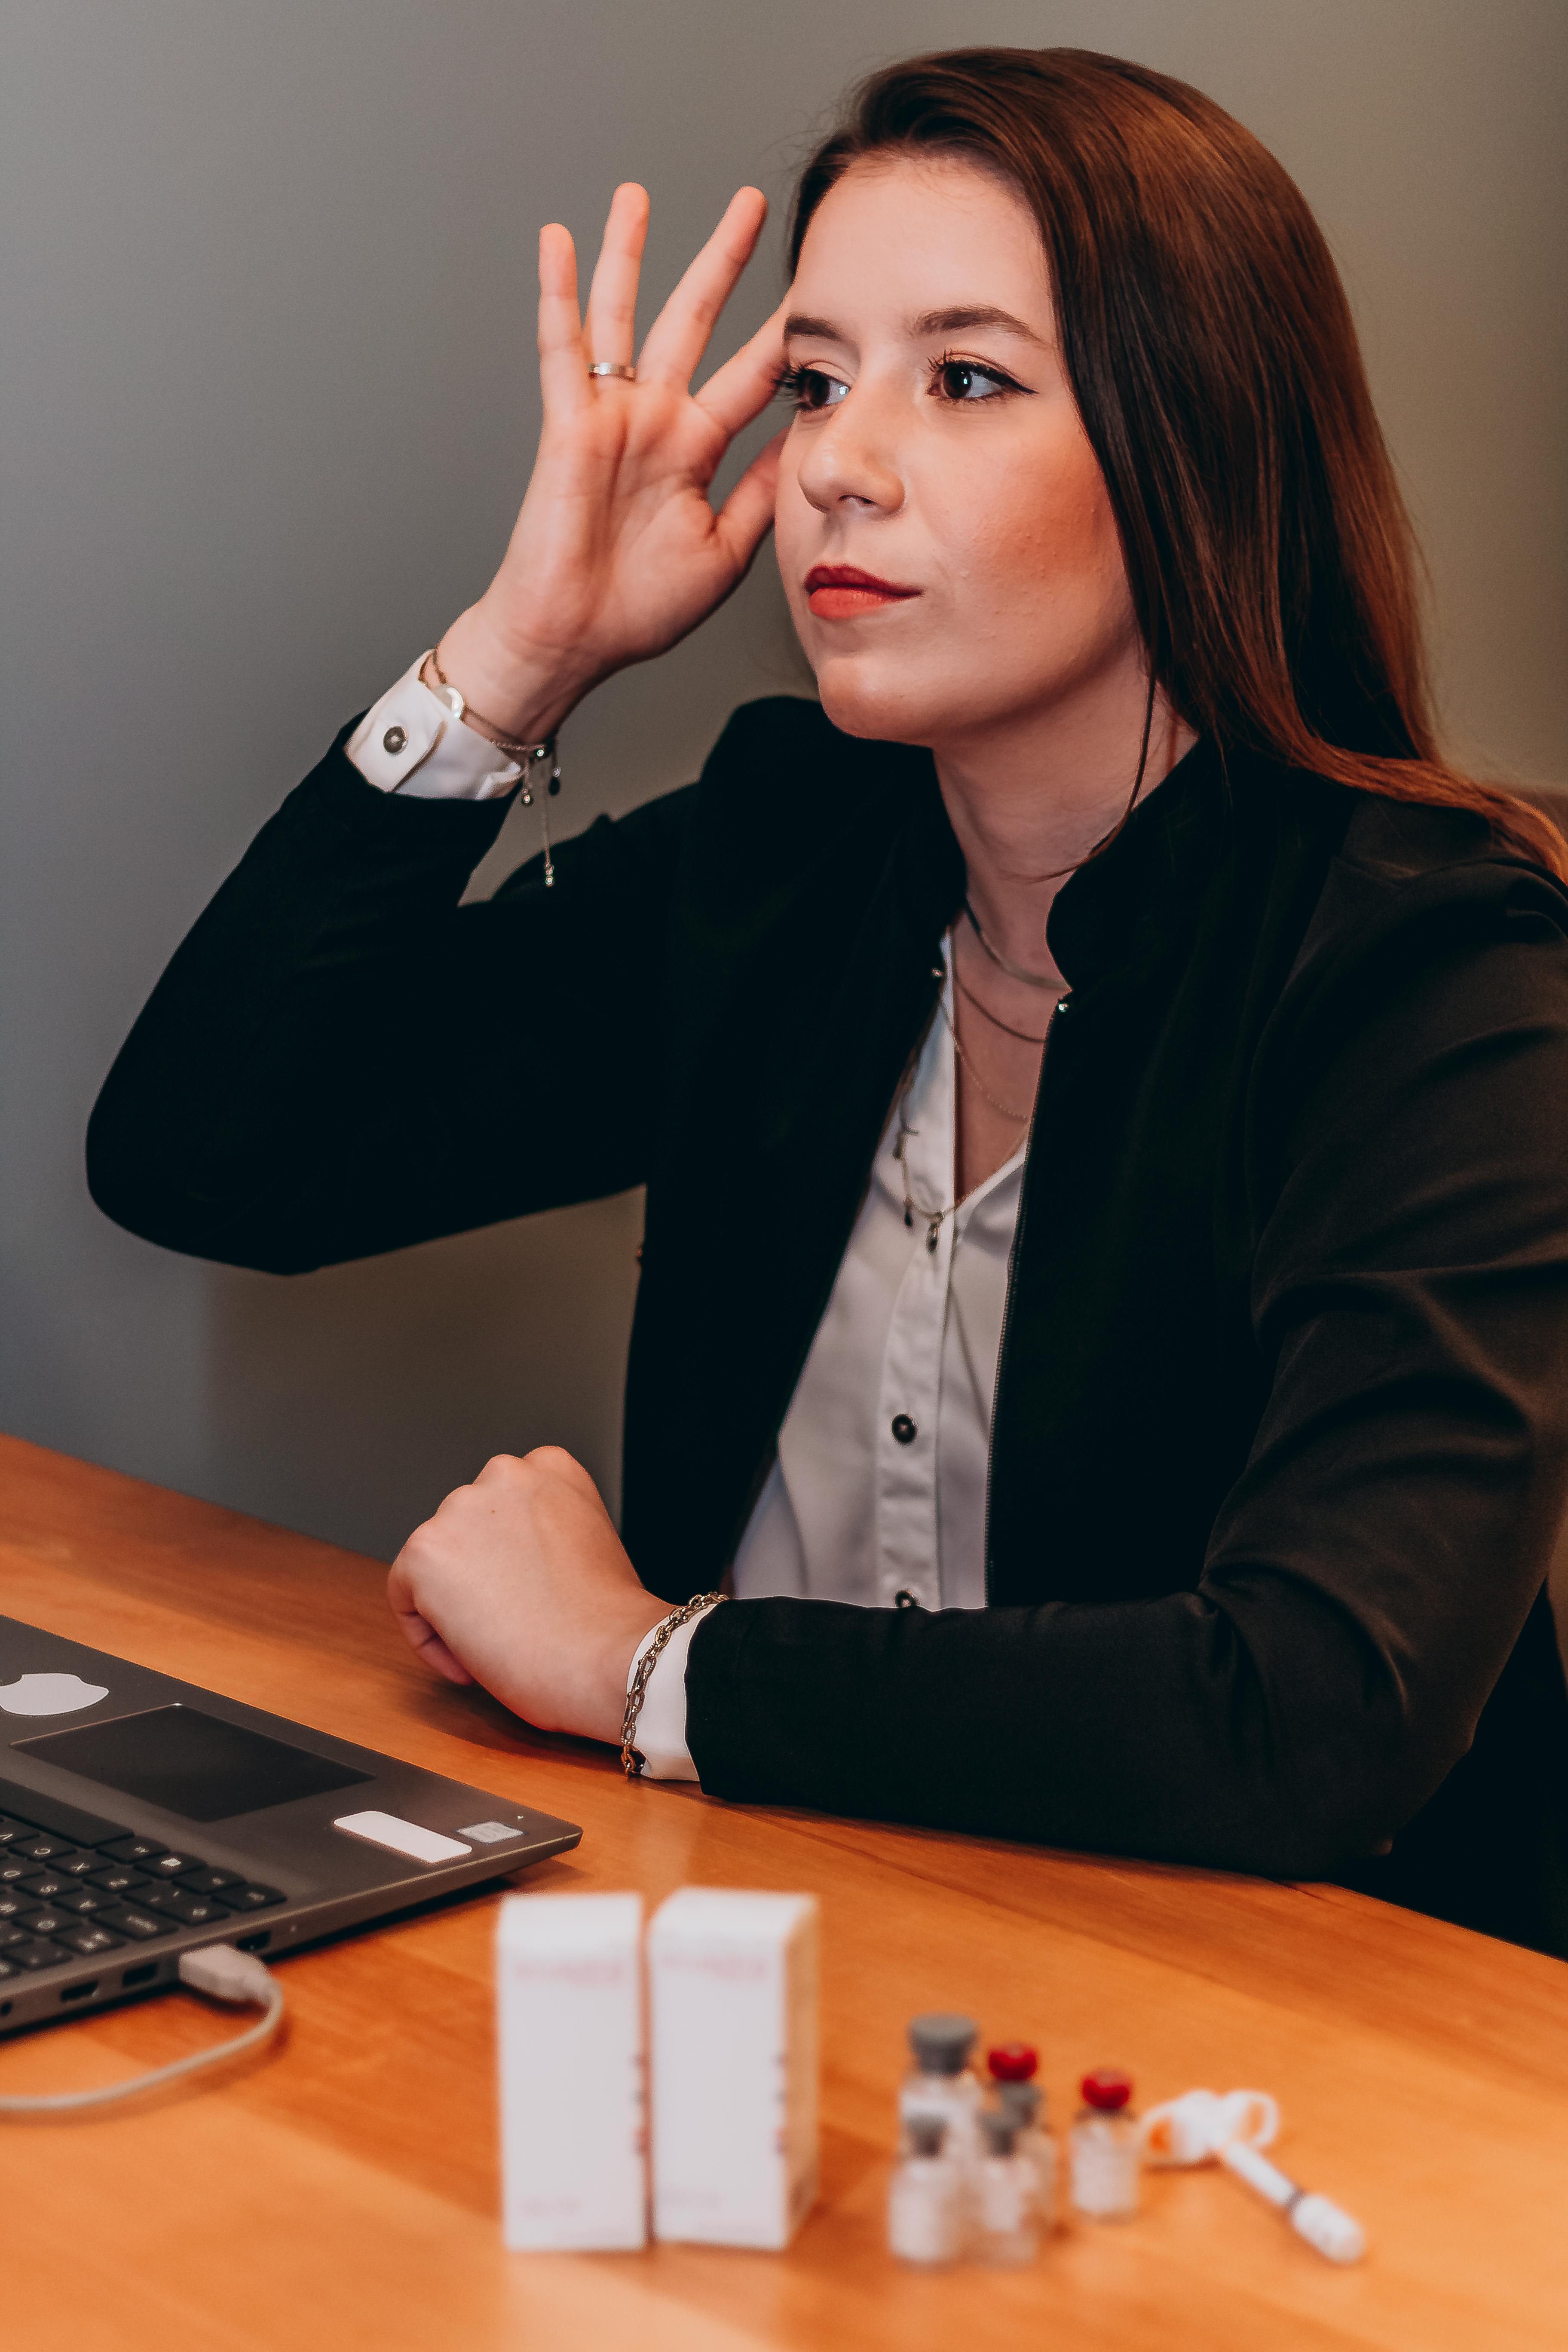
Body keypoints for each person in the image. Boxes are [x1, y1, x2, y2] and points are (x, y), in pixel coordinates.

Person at [87, 47, 1568, 1953]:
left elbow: (1316, 1705)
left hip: (1298, 2034)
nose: (836, 465)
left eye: (966, 379)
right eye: (813, 381)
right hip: (788, 1946)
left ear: (1194, 446)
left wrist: (642, 1664)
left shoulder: (1438, 965)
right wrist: (518, 660)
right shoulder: (786, 850)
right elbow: (212, 1157)